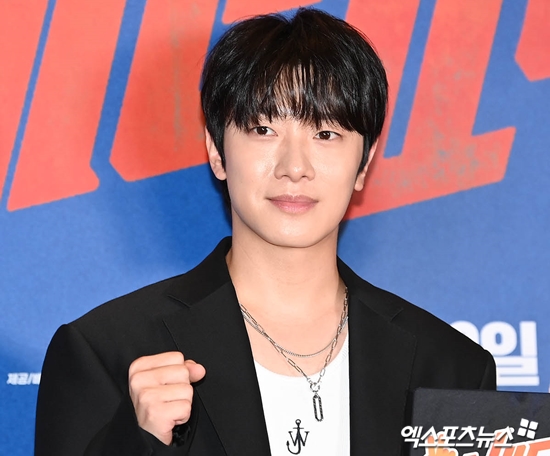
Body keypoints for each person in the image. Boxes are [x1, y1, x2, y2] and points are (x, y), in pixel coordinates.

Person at [35, 7, 496, 456]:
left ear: (364, 162)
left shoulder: (452, 369)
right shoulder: (107, 353)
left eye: (326, 134)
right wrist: (137, 443)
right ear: (217, 151)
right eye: (262, 129)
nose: (294, 167)